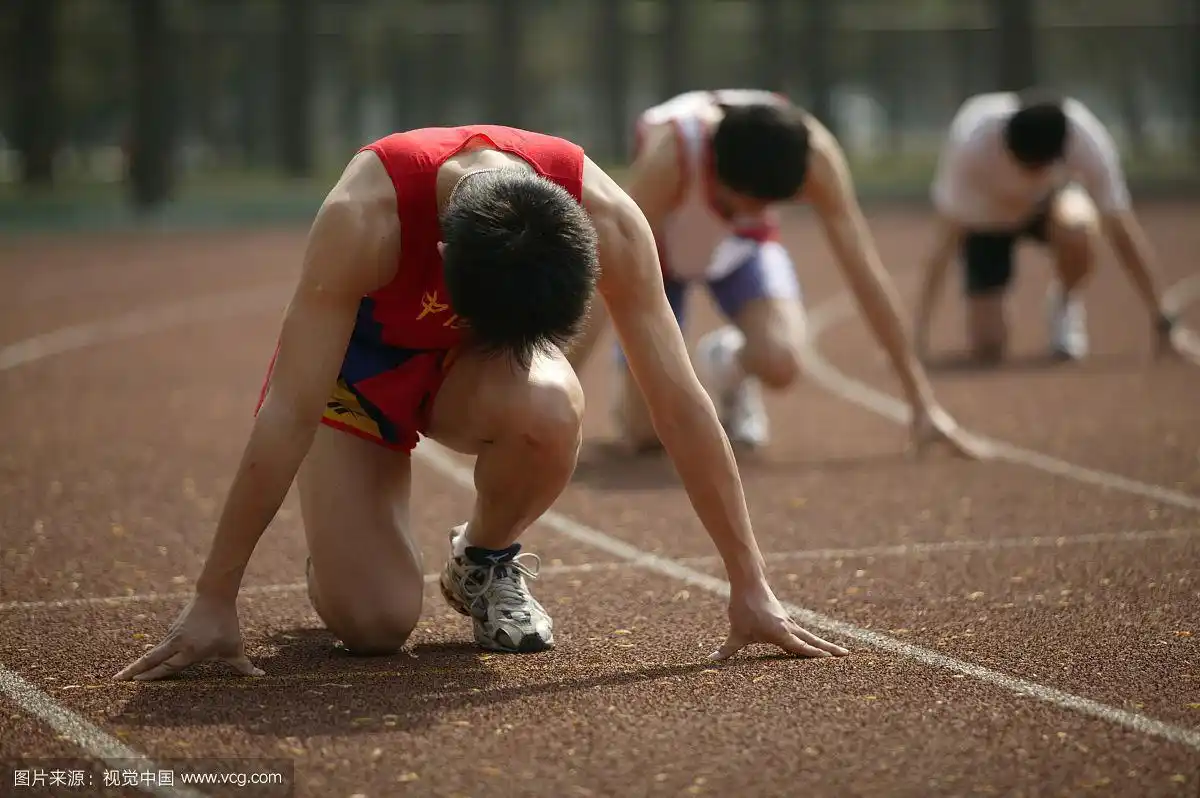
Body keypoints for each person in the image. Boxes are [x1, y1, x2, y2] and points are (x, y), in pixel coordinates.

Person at [112, 124, 851, 682]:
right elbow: (288, 409)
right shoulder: (364, 217)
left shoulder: (609, 218)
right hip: (357, 376)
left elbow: (681, 402)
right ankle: (339, 541)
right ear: (440, 260)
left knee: (551, 405)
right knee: (374, 625)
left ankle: (485, 561)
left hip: (474, 375)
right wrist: (215, 596)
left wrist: (750, 584)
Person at [565, 89, 985, 456]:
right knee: (646, 437)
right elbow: (603, 274)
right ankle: (635, 405)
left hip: (743, 251)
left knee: (781, 359)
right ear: (715, 172)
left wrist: (922, 402)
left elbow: (863, 269)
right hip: (660, 258)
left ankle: (726, 368)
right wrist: (560, 390)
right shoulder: (671, 157)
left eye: (767, 207)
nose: (753, 212)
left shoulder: (814, 155)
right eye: (739, 206)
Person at [914, 89, 1193, 364]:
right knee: (988, 346)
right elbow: (944, 242)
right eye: (1027, 170)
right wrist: (918, 334)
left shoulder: (1085, 138)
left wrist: (1164, 321)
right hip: (987, 220)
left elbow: (1121, 230)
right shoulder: (970, 145)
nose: (1030, 178)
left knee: (1078, 229)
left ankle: (1064, 302)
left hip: (1049, 206)